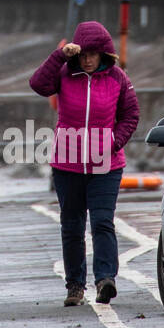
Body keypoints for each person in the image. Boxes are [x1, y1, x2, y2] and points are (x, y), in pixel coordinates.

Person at [29, 20, 139, 307]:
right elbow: (38, 84)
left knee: (102, 222)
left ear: (104, 53)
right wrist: (59, 56)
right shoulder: (64, 74)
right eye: (83, 54)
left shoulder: (118, 78)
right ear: (75, 53)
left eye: (93, 53)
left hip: (106, 165)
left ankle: (105, 280)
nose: (88, 59)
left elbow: (131, 115)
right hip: (68, 165)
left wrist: (114, 142)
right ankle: (75, 286)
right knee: (72, 226)